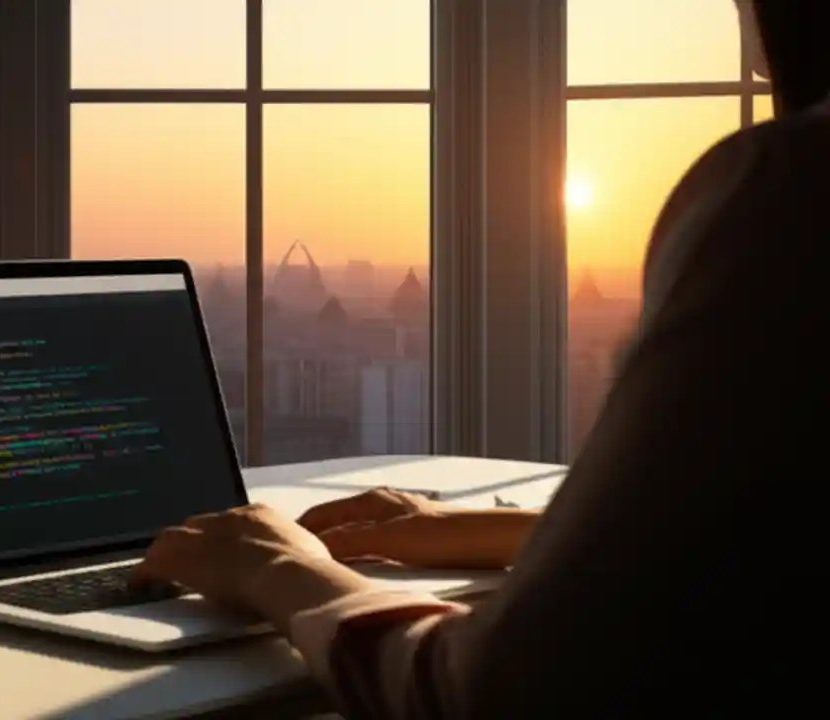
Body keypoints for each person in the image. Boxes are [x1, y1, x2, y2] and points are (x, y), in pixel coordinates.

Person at [131, 1, 829, 715]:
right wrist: (507, 532)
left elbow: (496, 693)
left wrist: (278, 569)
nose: (749, 47)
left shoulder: (790, 197)